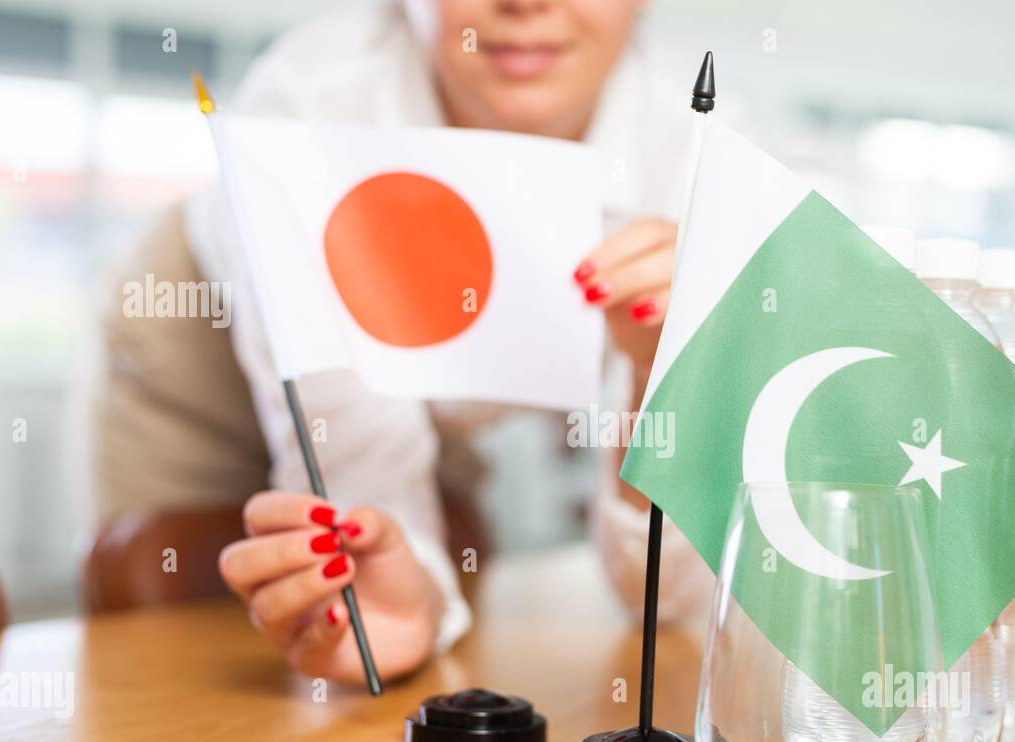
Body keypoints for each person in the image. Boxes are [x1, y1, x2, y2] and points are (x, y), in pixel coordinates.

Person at [190, 0, 712, 683]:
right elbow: (361, 471)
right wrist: (404, 609)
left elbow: (669, 599)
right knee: (175, 573)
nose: (527, 4)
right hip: (205, 366)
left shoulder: (703, 142)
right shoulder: (310, 103)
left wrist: (661, 377)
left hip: (435, 389)